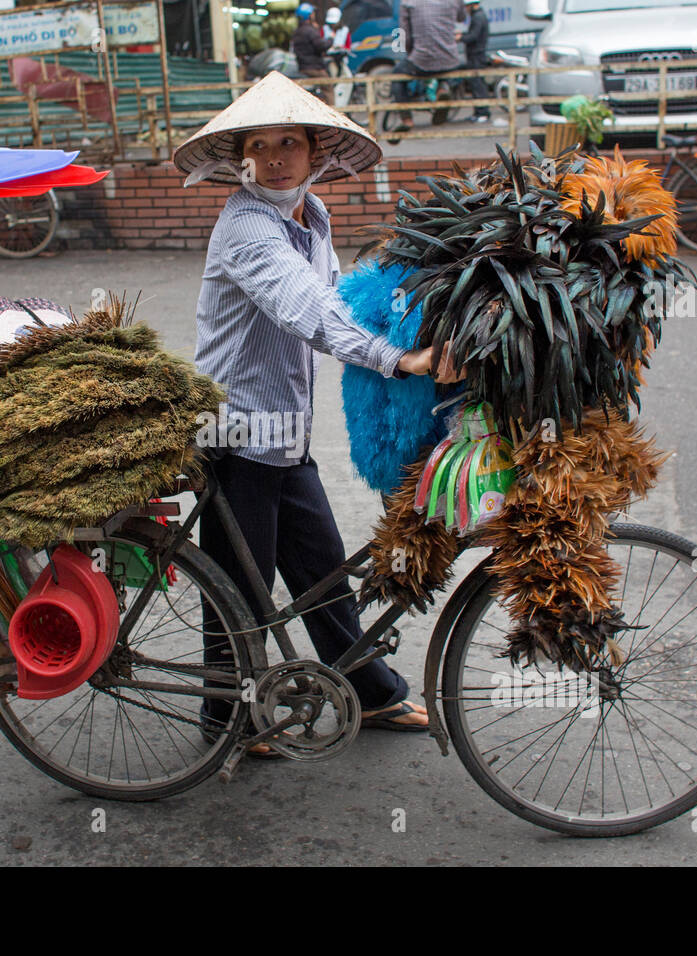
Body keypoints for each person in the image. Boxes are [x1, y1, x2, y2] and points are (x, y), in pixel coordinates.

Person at [173, 71, 464, 755]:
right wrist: (399, 360)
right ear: (240, 158)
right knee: (241, 590)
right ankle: (226, 721)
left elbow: (342, 298)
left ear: (314, 154)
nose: (274, 158)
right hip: (238, 432)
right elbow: (307, 308)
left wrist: (410, 325)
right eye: (260, 146)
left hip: (284, 429)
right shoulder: (247, 226)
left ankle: (370, 691)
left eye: (289, 143)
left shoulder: (312, 214)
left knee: (322, 570)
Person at [391, 0, 466, 133]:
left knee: (397, 76)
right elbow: (462, 17)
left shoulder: (408, 2)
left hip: (422, 59)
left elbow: (405, 37)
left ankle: (407, 119)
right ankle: (442, 89)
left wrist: (411, 54)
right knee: (446, 68)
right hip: (450, 58)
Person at [292, 3, 334, 105]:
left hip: (303, 67)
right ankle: (333, 114)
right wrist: (331, 39)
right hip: (315, 68)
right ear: (309, 15)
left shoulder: (297, 31)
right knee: (328, 88)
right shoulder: (310, 31)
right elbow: (321, 46)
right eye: (312, 13)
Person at [459, 0, 493, 123]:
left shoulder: (478, 17)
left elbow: (473, 36)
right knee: (475, 85)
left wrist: (460, 37)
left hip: (477, 57)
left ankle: (483, 112)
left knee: (478, 85)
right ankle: (478, 112)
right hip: (475, 56)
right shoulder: (478, 16)